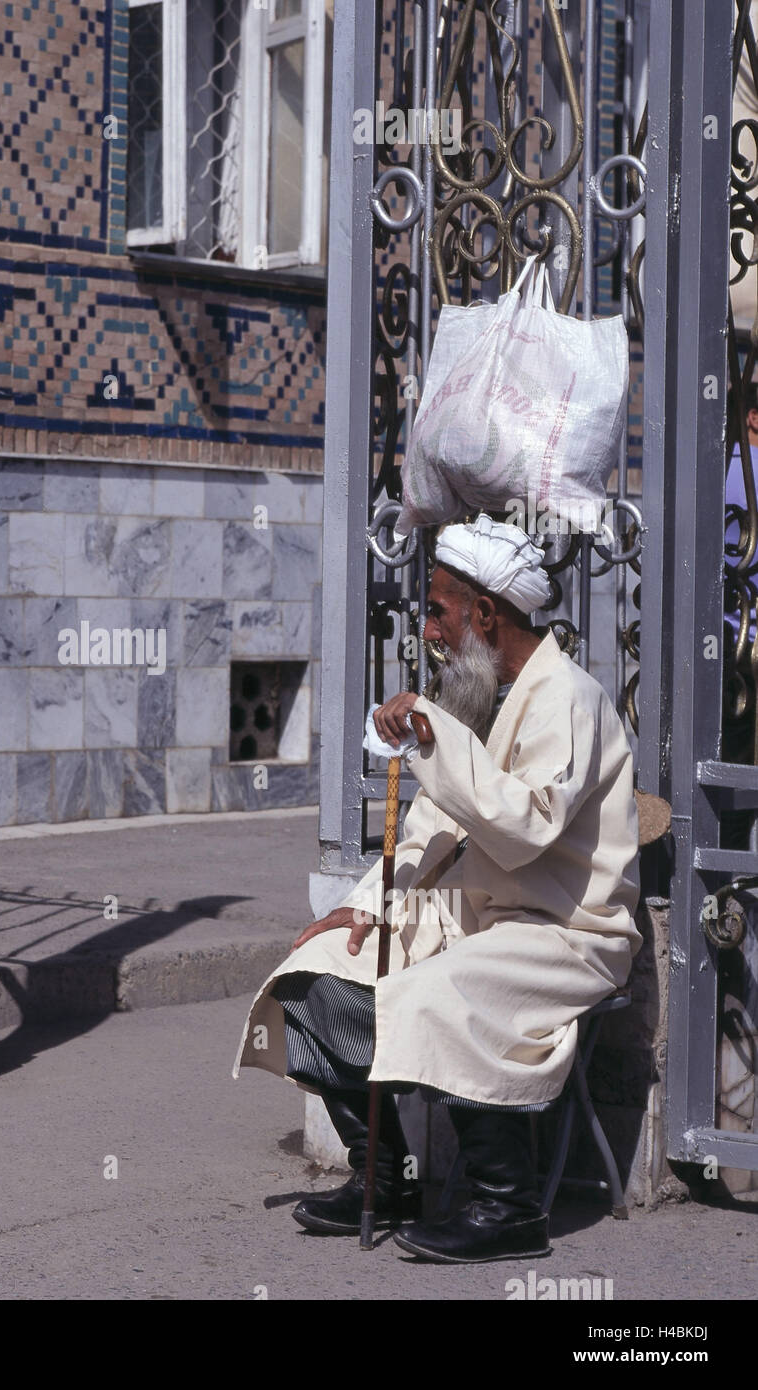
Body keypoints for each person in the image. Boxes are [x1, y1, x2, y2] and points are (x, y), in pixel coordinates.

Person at [234, 513, 641, 1263]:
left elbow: (528, 828)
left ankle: (508, 1204)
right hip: (472, 918)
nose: (427, 630)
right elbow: (427, 830)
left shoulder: (570, 699)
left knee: (438, 993)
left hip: (568, 933)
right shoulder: (478, 693)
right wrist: (359, 909)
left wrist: (434, 739)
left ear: (485, 614)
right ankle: (383, 1177)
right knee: (314, 983)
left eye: (436, 610)